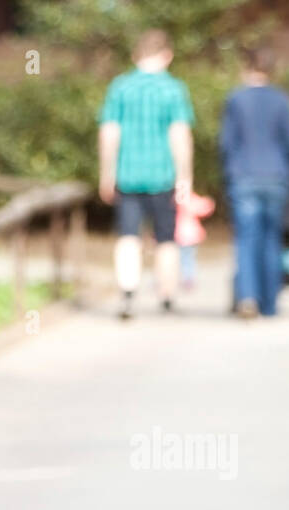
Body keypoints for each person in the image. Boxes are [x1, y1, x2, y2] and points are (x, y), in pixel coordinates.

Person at [98, 30, 195, 320]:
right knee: (166, 239)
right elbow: (179, 134)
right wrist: (185, 175)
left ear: (135, 56)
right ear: (167, 55)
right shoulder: (173, 89)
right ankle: (166, 297)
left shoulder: (120, 88)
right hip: (162, 175)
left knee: (128, 236)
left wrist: (106, 172)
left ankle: (127, 294)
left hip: (127, 175)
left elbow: (109, 132)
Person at [219, 47, 289, 319]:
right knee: (271, 239)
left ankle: (248, 297)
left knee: (246, 239)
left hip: (244, 176)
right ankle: (269, 303)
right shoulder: (281, 100)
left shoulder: (236, 99)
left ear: (247, 68)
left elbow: (227, 143)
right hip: (275, 176)